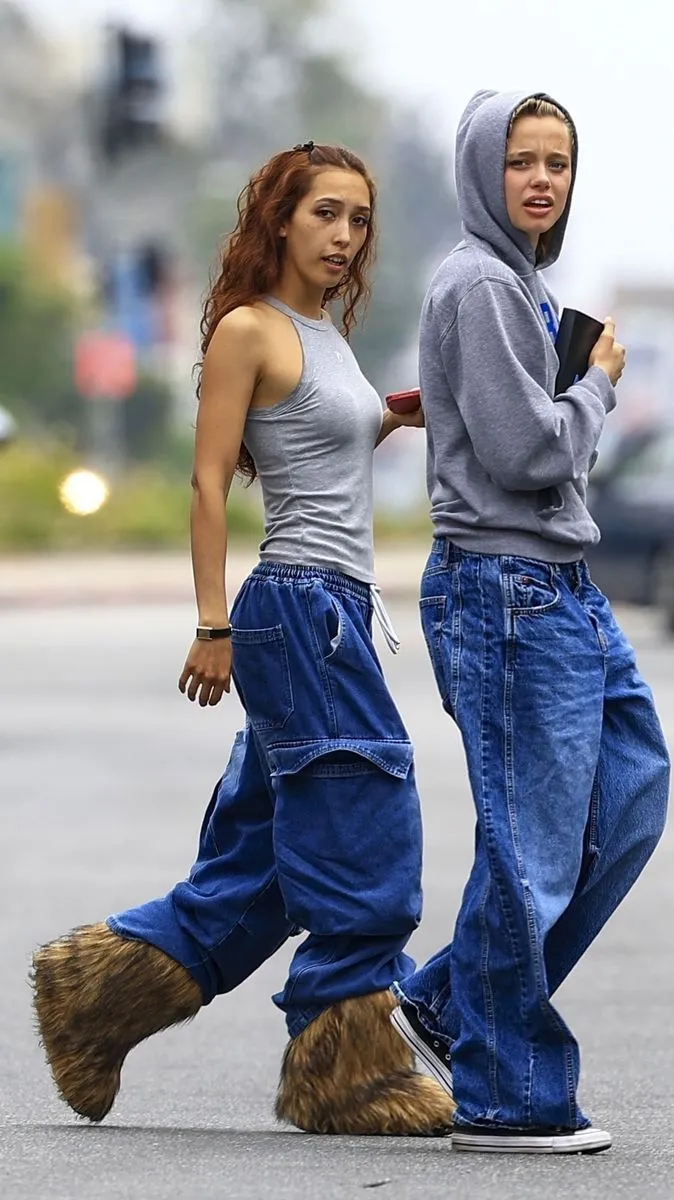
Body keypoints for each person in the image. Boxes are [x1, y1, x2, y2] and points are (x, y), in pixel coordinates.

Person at [30, 142, 453, 1138]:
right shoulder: (248, 331)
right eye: (324, 215)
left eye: (357, 220)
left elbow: (313, 445)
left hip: (334, 608)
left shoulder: (321, 334)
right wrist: (211, 622)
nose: (344, 237)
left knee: (263, 860)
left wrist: (387, 419)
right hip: (298, 610)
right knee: (365, 818)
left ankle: (94, 999)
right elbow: (208, 480)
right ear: (278, 218)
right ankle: (344, 1071)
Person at [388, 91, 671, 1155]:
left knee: (630, 796)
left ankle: (456, 1002)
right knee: (531, 848)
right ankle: (506, 1090)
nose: (541, 180)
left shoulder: (514, 283)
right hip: (506, 593)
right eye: (520, 161)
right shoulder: (478, 281)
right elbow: (529, 457)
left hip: (559, 585)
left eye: (556, 161)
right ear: (480, 170)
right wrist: (596, 386)